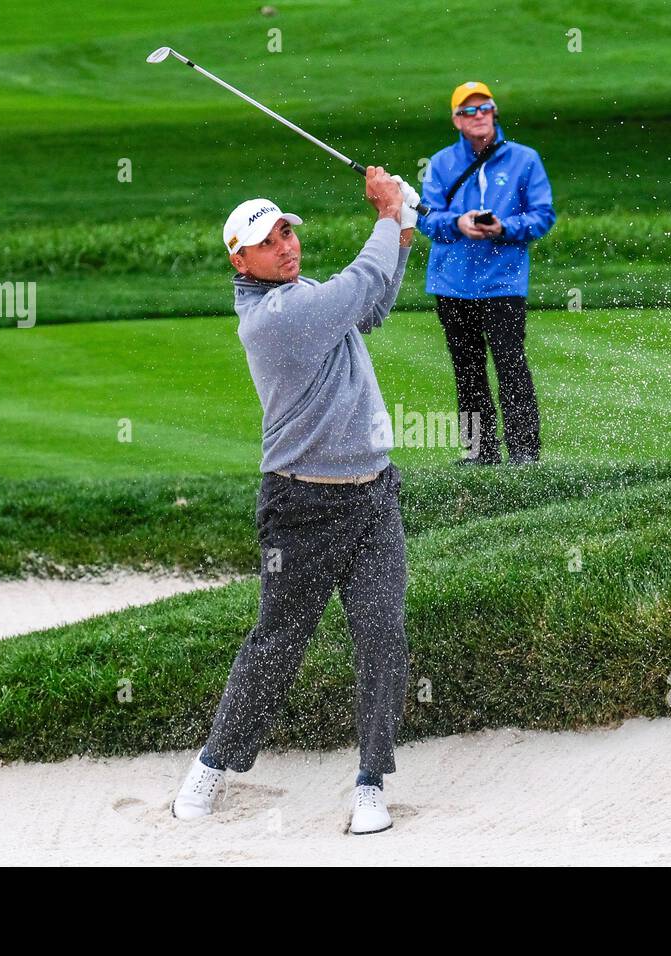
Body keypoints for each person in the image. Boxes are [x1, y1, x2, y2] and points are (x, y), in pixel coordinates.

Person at [171, 167, 421, 836]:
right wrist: (386, 215)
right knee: (278, 642)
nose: (286, 244)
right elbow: (359, 287)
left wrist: (403, 233)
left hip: (373, 497)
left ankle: (371, 782)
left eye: (287, 231)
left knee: (382, 635)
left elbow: (371, 306)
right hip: (299, 507)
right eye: (269, 239)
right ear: (239, 258)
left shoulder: (306, 294)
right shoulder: (272, 319)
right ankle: (214, 764)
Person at [417, 81, 556, 465]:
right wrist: (457, 223)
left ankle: (525, 451)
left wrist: (503, 228)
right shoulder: (442, 163)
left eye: (484, 108)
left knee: (511, 363)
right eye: (468, 111)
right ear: (456, 121)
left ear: (494, 113)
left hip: (503, 280)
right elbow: (427, 219)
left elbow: (543, 216)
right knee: (467, 367)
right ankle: (480, 451)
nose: (477, 117)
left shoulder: (524, 159)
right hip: (452, 282)